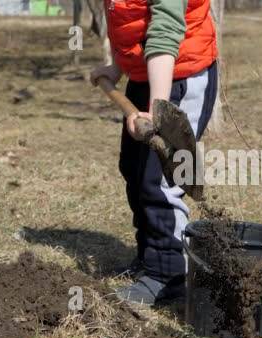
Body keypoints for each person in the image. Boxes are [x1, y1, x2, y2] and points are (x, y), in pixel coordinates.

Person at [90, 0, 218, 306]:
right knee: (133, 168)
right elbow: (133, 27)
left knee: (159, 181)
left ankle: (169, 275)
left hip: (179, 76)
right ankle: (150, 257)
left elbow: (163, 34)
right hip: (145, 76)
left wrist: (157, 110)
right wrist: (117, 67)